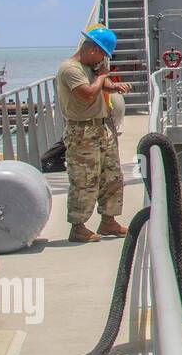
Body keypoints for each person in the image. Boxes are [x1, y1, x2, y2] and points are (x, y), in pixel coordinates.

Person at [55, 25, 130, 243]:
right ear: (93, 49)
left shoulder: (88, 68)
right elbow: (88, 93)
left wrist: (112, 85)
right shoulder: (71, 69)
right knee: (84, 179)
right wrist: (103, 77)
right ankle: (78, 227)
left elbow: (99, 82)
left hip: (100, 127)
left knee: (112, 176)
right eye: (102, 55)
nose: (102, 61)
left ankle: (109, 221)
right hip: (82, 131)